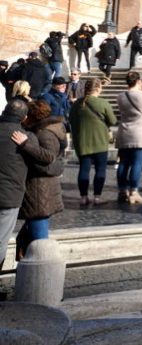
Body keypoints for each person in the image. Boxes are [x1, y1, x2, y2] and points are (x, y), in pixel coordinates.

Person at [10, 100, 65, 260]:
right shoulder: (45, 129)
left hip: (40, 190)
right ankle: (26, 265)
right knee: (29, 233)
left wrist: (25, 144)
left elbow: (48, 157)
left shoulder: (44, 133)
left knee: (38, 237)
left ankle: (40, 273)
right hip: (40, 189)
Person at [67, 78, 115, 206]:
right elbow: (113, 120)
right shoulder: (103, 103)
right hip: (99, 141)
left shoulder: (77, 103)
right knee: (100, 169)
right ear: (99, 88)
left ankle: (83, 197)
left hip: (82, 141)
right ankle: (97, 197)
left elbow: (70, 120)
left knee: (84, 169)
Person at [115, 72, 142, 205]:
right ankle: (134, 192)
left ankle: (122, 191)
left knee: (123, 164)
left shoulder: (121, 96)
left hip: (124, 132)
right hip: (141, 134)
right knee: (137, 164)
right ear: (139, 81)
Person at [0, 100, 31, 271]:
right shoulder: (23, 137)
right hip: (9, 196)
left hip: (9, 193)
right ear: (24, 118)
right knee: (1, 239)